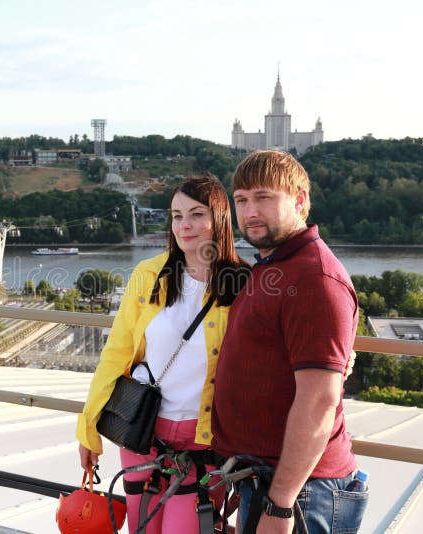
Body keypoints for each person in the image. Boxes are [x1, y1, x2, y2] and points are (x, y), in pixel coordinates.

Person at [76, 174, 250, 534]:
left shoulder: (243, 284)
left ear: (219, 218)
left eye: (196, 214)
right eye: (176, 216)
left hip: (202, 445)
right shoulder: (149, 275)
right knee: (141, 530)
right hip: (141, 432)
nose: (184, 225)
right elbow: (117, 354)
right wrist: (88, 428)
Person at [211, 150, 368, 534]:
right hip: (268, 481)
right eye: (242, 199)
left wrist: (280, 504)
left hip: (301, 493)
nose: (249, 211)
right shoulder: (274, 266)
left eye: (264, 197)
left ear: (299, 201)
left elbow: (318, 402)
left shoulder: (313, 278)